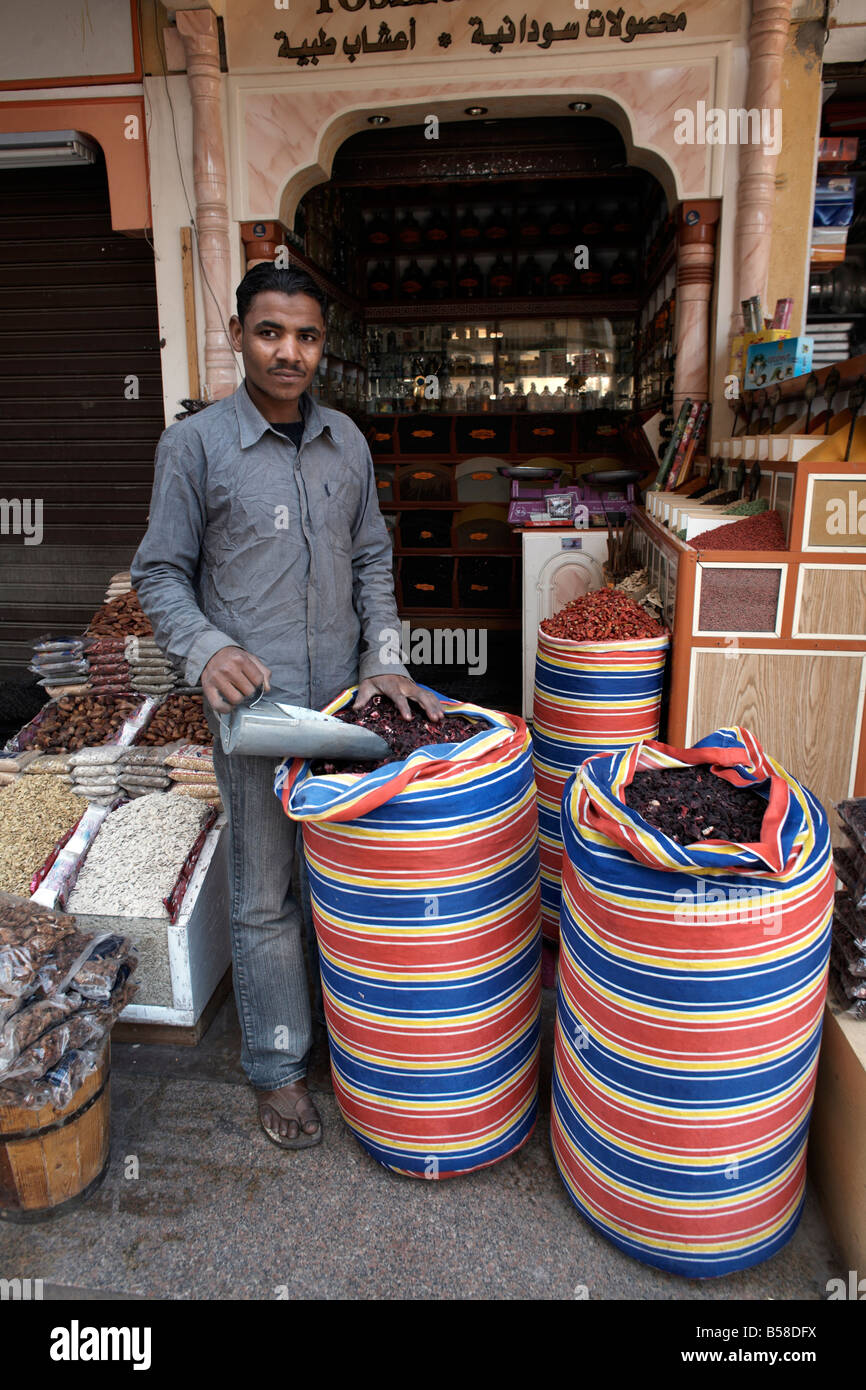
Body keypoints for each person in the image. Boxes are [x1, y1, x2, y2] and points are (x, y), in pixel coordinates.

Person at [131, 263, 442, 1149]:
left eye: (306, 336)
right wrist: (207, 649)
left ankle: (364, 1048)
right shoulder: (194, 448)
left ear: (322, 346)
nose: (289, 351)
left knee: (349, 882)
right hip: (259, 716)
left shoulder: (347, 441)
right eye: (270, 332)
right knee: (265, 893)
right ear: (238, 336)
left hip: (348, 708)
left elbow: (374, 560)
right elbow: (159, 571)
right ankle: (277, 1066)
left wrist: (385, 660)